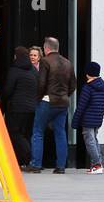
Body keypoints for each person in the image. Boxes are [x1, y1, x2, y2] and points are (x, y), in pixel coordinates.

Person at [26, 36, 75, 174]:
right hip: (63, 103)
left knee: (37, 132)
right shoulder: (67, 63)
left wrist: (38, 98)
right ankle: (60, 166)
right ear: (57, 48)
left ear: (46, 48)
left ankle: (36, 164)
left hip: (47, 101)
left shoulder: (45, 61)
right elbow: (73, 85)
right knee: (60, 133)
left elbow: (41, 83)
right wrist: (64, 95)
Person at [71, 61, 104, 175]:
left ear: (88, 73)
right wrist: (98, 106)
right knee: (94, 140)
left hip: (88, 119)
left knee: (90, 141)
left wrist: (74, 122)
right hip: (98, 118)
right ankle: (99, 164)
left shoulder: (88, 87)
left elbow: (81, 107)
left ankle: (97, 165)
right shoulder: (103, 85)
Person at [3, 46, 38, 165]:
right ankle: (25, 161)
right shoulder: (33, 70)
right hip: (32, 109)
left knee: (14, 133)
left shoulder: (14, 70)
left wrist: (3, 103)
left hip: (17, 108)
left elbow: (8, 90)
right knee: (26, 134)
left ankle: (28, 154)